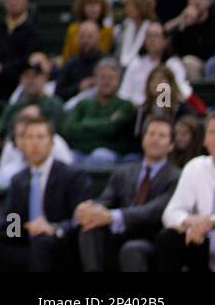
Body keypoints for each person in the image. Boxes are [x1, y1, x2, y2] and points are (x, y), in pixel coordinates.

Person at [0, 117, 93, 271]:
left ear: (51, 143)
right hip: (26, 242)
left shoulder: (72, 176)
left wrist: (53, 228)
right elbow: (13, 224)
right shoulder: (19, 179)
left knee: (42, 242)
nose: (35, 143)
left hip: (59, 245)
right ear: (22, 144)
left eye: (40, 137)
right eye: (29, 138)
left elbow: (80, 218)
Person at [75, 115, 180, 271]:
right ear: (143, 139)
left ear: (171, 145)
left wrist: (112, 216)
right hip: (119, 233)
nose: (155, 139)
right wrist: (90, 209)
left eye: (162, 136)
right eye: (151, 134)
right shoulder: (124, 171)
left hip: (152, 236)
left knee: (131, 249)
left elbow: (153, 211)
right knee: (90, 230)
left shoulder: (176, 176)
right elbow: (107, 199)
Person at [156, 114, 215, 271]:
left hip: (206, 231)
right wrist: (189, 222)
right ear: (205, 140)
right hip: (202, 248)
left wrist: (210, 222)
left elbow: (208, 223)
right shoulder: (196, 167)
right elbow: (170, 213)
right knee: (169, 237)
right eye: (212, 132)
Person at [62, 59, 136, 165]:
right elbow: (70, 130)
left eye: (111, 78)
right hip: (81, 152)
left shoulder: (125, 105)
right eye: (102, 77)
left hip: (110, 154)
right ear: (95, 80)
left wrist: (84, 123)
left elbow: (112, 128)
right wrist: (106, 122)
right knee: (66, 158)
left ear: (119, 81)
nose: (106, 82)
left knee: (100, 156)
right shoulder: (83, 104)